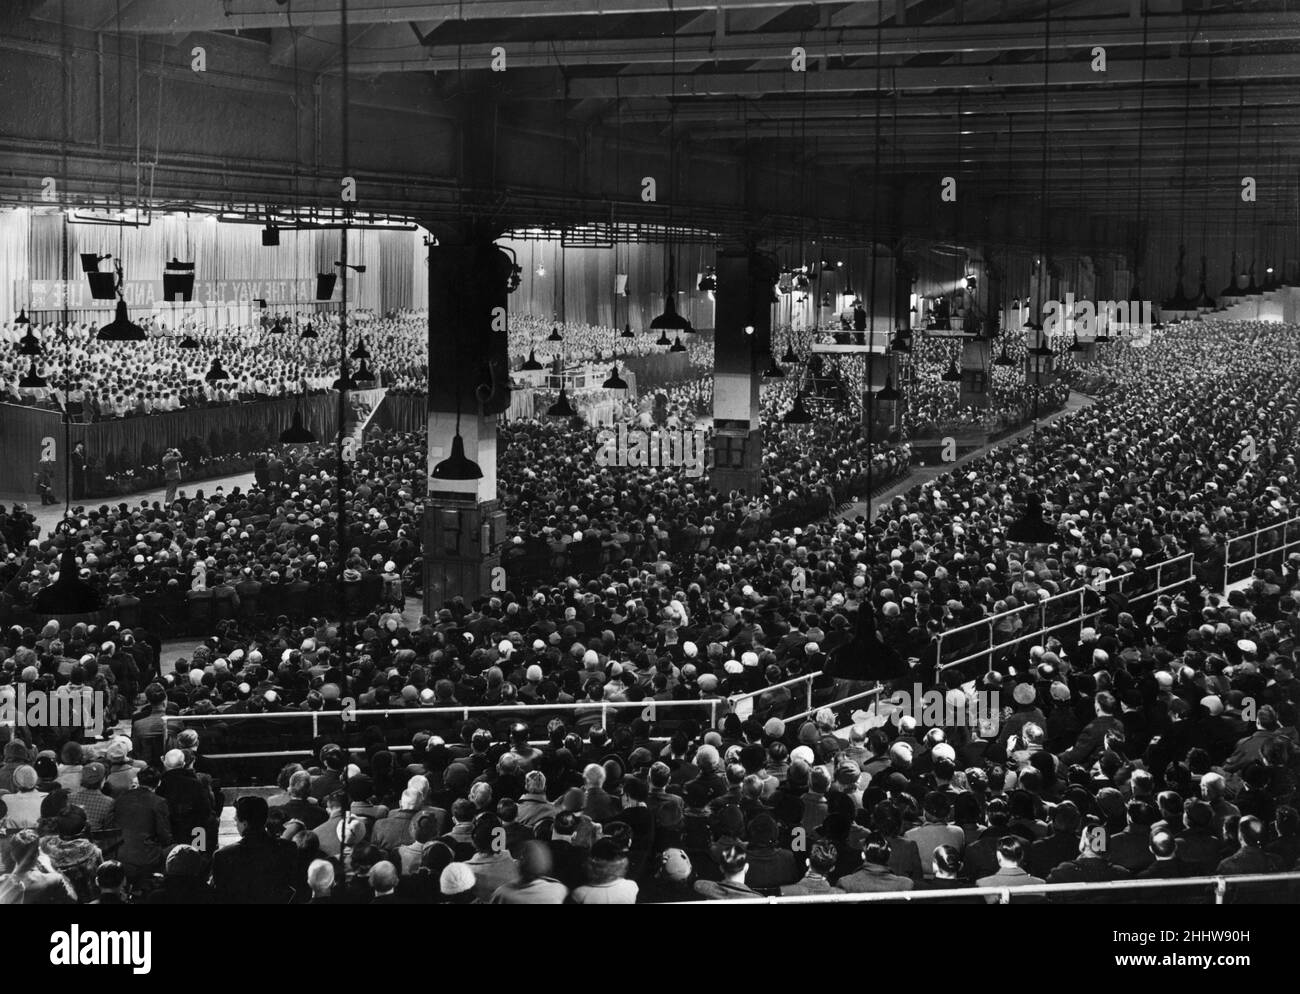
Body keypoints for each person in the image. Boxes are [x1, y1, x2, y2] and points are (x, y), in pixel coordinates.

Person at [211, 795, 298, 904]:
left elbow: (221, 897)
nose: (236, 824)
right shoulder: (288, 848)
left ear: (245, 824)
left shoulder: (223, 856)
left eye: (236, 821)